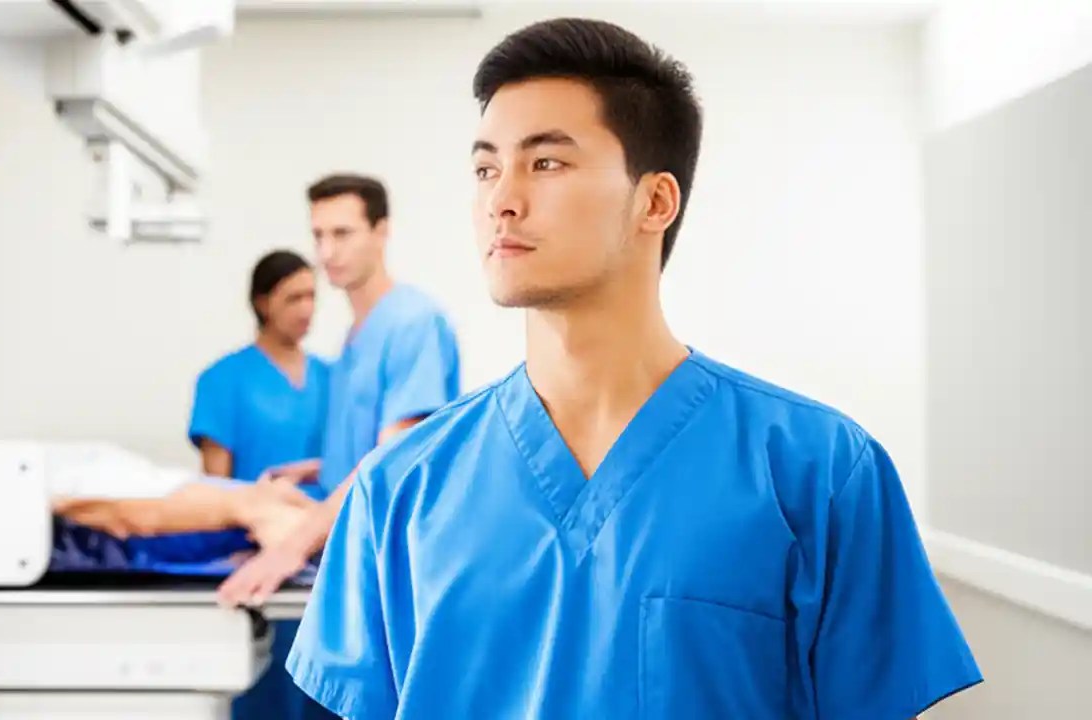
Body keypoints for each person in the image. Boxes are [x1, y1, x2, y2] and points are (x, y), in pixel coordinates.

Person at [285, 18, 982, 720]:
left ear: (655, 201)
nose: (502, 198)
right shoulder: (400, 491)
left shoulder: (818, 473)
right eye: (486, 168)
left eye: (546, 163)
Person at [55, 249, 335, 720]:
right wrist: (245, 511)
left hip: (319, 557)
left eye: (312, 296)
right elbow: (213, 483)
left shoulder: (335, 377)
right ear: (263, 302)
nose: (306, 309)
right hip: (252, 553)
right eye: (293, 298)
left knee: (325, 691)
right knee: (267, 690)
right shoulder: (224, 379)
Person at [216, 174, 461, 608]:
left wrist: (292, 547)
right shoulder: (352, 340)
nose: (327, 252)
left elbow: (394, 460)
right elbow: (370, 442)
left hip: (391, 566)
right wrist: (315, 470)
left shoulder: (412, 323)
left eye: (342, 234)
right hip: (346, 551)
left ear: (381, 232)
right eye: (319, 236)